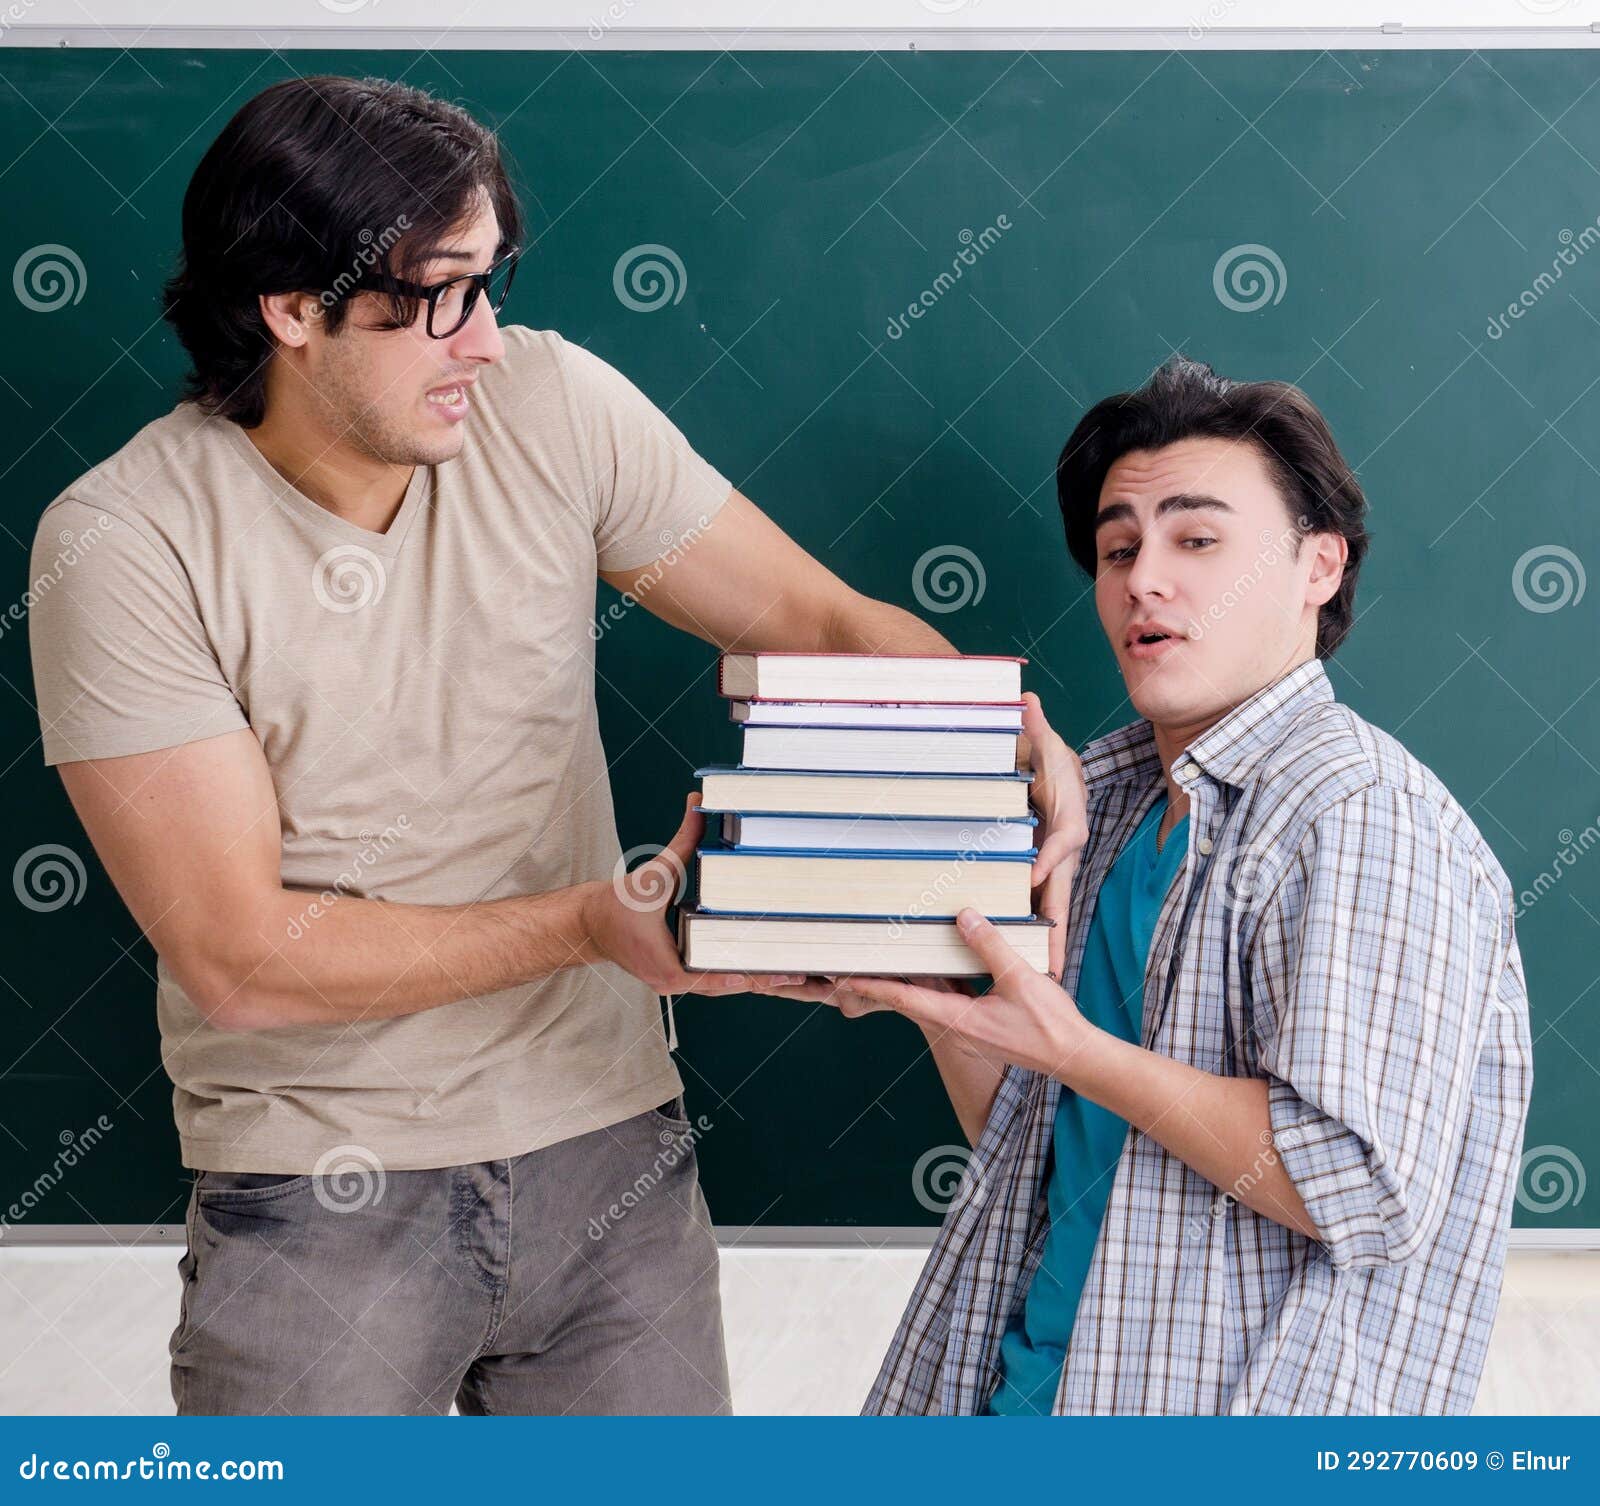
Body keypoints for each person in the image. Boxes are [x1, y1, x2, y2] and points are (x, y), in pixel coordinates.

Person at [24, 74, 1079, 1417]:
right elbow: (241, 958)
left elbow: (820, 620)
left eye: (491, 284)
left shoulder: (552, 406)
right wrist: (589, 924)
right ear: (291, 308)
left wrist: (994, 738)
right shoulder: (124, 544)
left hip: (611, 1162)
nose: (485, 342)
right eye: (439, 297)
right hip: (316, 1188)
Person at [766, 355, 1533, 1415]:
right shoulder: (1110, 803)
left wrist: (1076, 1049)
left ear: (1319, 565)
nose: (1143, 581)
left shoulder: (1358, 815)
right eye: (1119, 548)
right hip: (1014, 1396)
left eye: (1197, 540)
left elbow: (1351, 1180)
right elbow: (1048, 1137)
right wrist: (944, 1007)